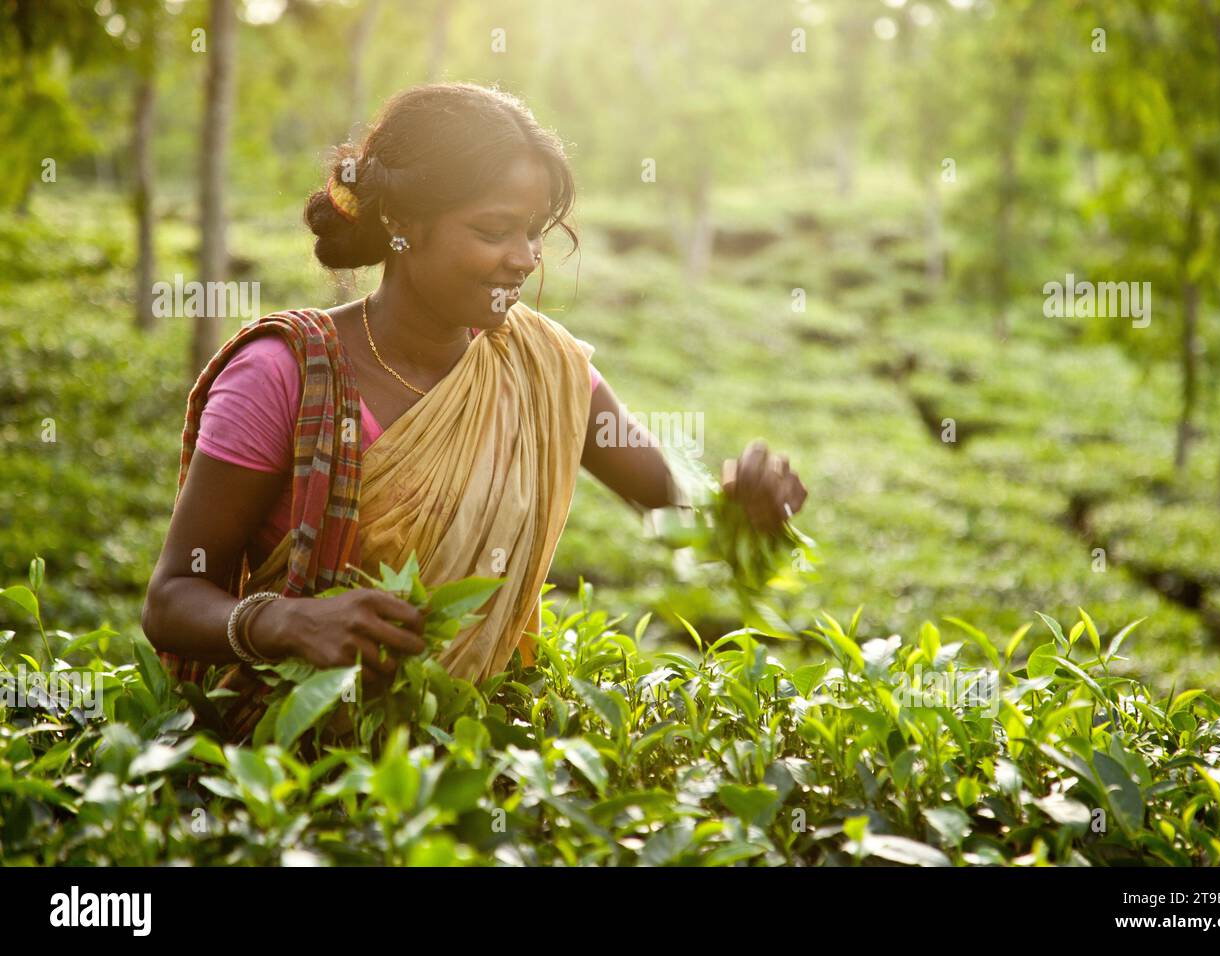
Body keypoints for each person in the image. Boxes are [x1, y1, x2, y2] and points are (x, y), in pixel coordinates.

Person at [141, 82, 807, 741]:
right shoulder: (287, 375)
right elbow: (173, 599)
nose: (523, 258)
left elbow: (673, 506)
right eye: (493, 230)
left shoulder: (544, 366)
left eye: (534, 231)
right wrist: (283, 624)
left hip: (473, 769)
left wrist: (743, 507)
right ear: (403, 224)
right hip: (291, 785)